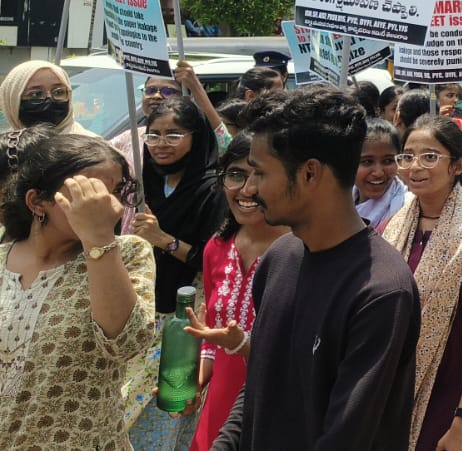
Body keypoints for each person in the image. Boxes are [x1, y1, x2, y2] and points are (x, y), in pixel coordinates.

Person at [211, 86, 421, 450]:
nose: (250, 189)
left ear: (309, 173)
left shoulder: (382, 292)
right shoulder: (280, 258)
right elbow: (260, 381)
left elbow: (347, 436)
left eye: (260, 173)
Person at [0, 129, 155, 448]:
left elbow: (125, 342)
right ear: (37, 202)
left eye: (112, 193)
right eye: (88, 193)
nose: (107, 207)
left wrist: (98, 239)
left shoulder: (127, 253)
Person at [382, 115, 462, 451]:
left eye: (430, 156)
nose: (415, 166)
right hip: (391, 395)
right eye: (407, 156)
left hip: (449, 399)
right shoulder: (389, 229)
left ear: (457, 166)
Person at [127, 97, 228, 449]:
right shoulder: (142, 182)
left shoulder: (214, 188)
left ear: (195, 136)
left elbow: (210, 260)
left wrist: (162, 240)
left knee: (166, 411)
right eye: (153, 135)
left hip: (183, 319)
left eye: (173, 135)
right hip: (141, 308)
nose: (160, 145)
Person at [187, 131, 290, 451]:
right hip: (217, 413)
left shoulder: (301, 252)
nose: (247, 190)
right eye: (235, 175)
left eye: (260, 175)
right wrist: (195, 383)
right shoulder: (216, 247)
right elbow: (211, 339)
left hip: (276, 412)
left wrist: (246, 346)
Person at [0, 61, 95, 135]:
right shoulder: (6, 149)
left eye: (58, 92)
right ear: (12, 101)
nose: (49, 100)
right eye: (35, 94)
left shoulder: (94, 151)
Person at [354, 118, 410, 226]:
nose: (378, 173)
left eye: (388, 161)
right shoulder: (337, 206)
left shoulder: (407, 207)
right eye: (367, 162)